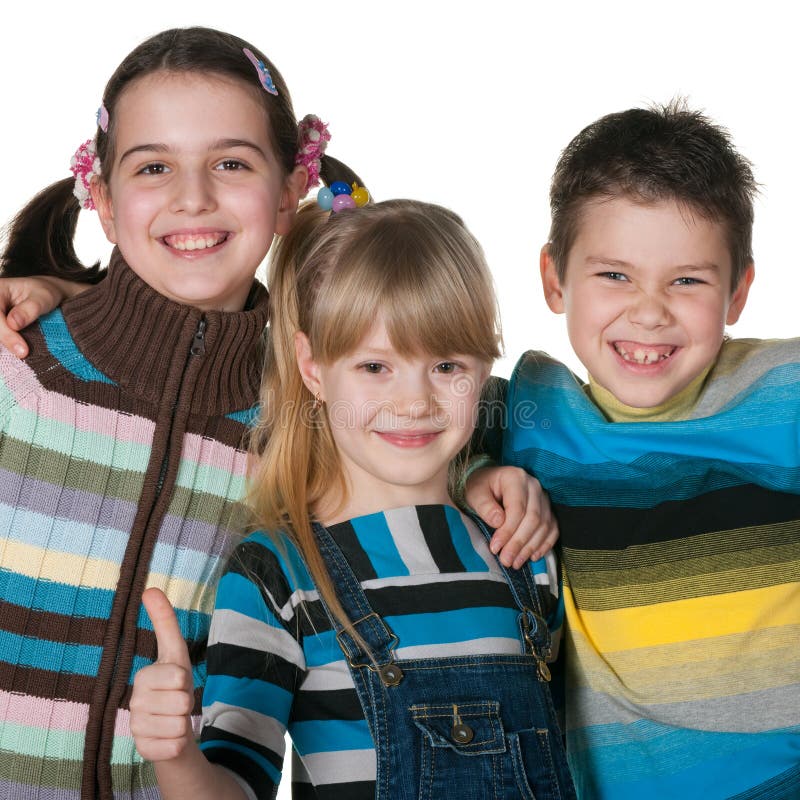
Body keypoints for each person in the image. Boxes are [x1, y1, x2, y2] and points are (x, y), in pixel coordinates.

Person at [0, 25, 364, 799]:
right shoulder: (15, 373)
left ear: (289, 194)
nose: (192, 197)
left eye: (231, 163)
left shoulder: (309, 429)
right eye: (154, 166)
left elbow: (436, 404)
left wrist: (494, 469)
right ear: (99, 197)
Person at [127, 199, 577, 800]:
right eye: (374, 366)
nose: (415, 401)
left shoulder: (523, 551)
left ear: (486, 365)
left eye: (447, 365)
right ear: (312, 367)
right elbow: (236, 785)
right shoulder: (279, 576)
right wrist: (176, 754)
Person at [465, 102, 800, 799]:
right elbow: (402, 424)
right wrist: (475, 473)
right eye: (614, 275)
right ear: (554, 278)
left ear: (738, 291)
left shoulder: (783, 391)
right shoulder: (532, 407)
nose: (649, 312)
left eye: (688, 280)